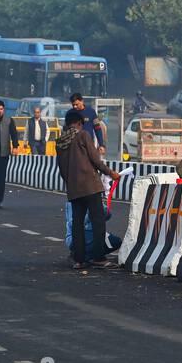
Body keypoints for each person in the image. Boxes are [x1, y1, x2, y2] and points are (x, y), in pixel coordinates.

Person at [55, 109, 120, 268]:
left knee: (77, 224)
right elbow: (95, 160)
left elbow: (62, 170)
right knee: (98, 221)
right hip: (90, 186)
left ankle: (79, 260)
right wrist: (111, 173)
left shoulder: (60, 142)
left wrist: (71, 182)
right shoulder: (82, 135)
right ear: (78, 123)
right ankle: (98, 257)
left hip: (74, 189)